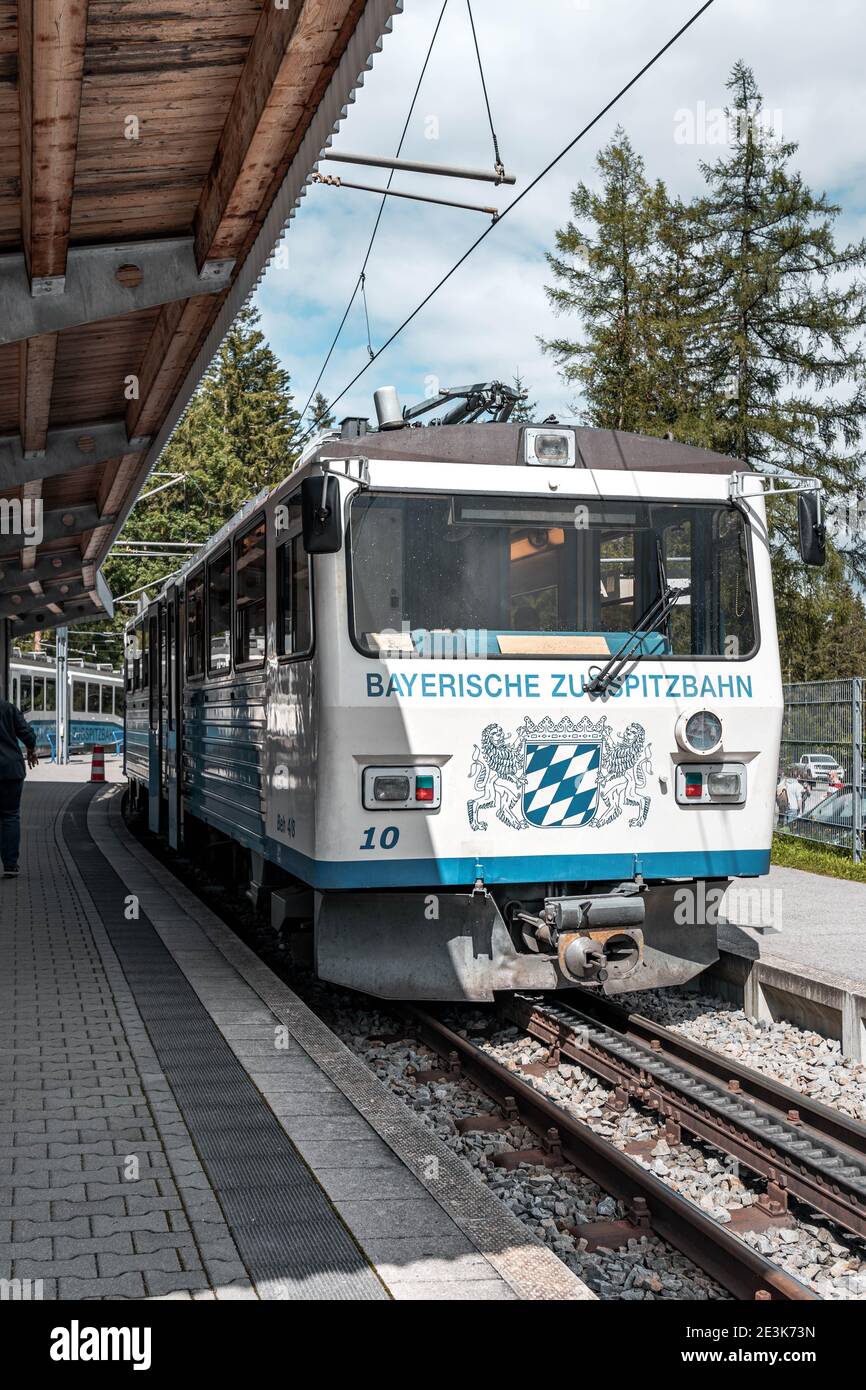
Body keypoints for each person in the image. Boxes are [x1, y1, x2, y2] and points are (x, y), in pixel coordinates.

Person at [0, 691, 38, 878]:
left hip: (9, 771)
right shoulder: (8, 709)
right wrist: (31, 749)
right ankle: (10, 864)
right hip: (10, 771)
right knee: (10, 816)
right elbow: (28, 735)